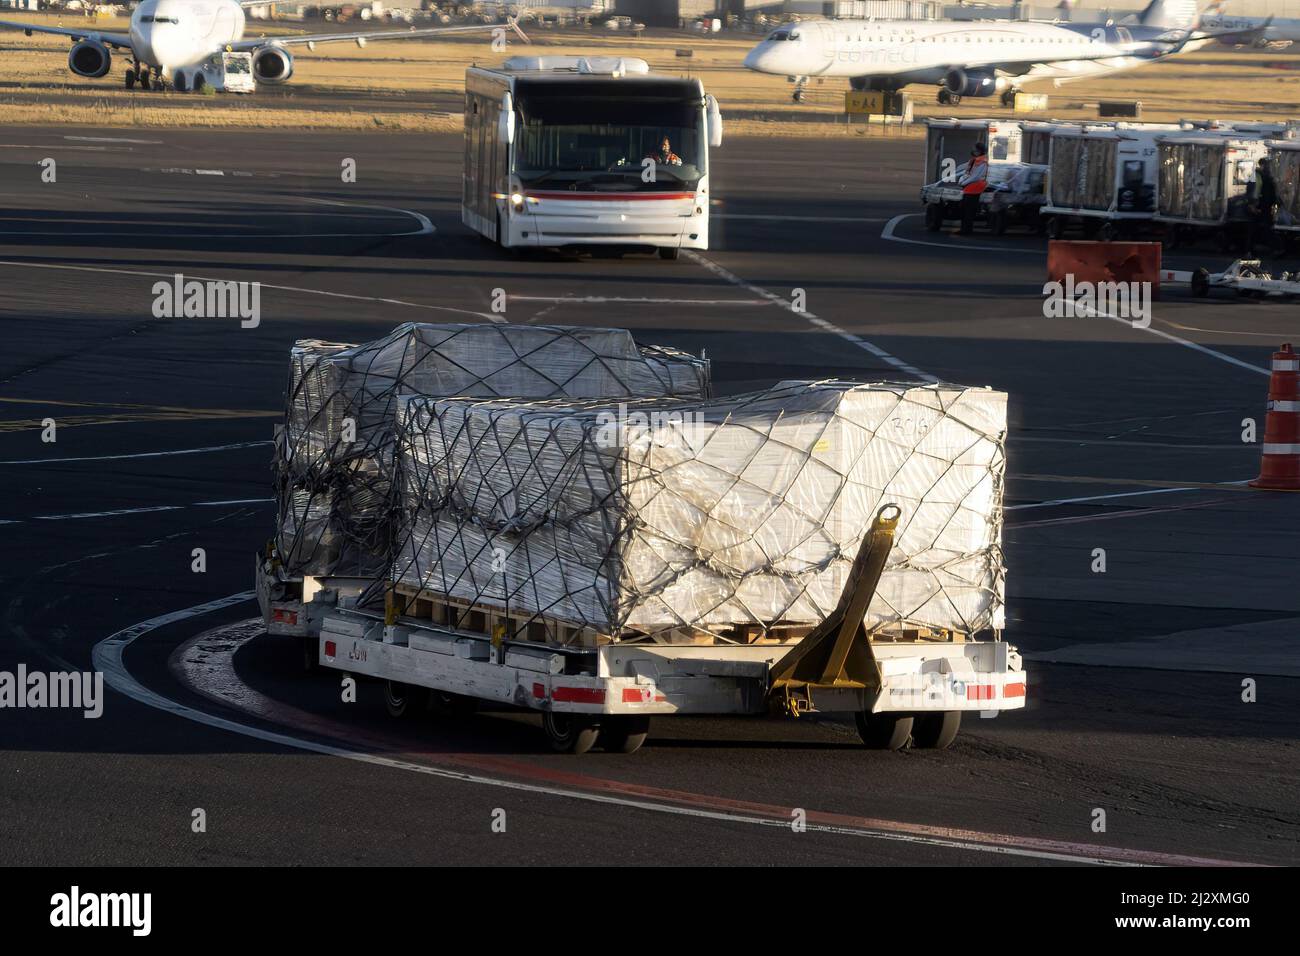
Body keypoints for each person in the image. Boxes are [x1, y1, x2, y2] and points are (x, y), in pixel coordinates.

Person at [1249, 158, 1278, 256]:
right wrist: (1252, 204)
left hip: (1263, 205)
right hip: (1259, 205)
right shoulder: (1259, 175)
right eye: (1266, 165)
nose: (1267, 167)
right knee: (1258, 228)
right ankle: (1250, 250)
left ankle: (1252, 250)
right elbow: (1253, 191)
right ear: (1261, 165)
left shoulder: (1264, 176)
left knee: (1262, 227)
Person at [959, 141, 989, 236]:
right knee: (964, 210)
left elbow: (976, 176)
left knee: (968, 211)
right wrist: (962, 180)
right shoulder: (974, 160)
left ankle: (966, 230)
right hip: (969, 188)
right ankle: (964, 229)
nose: (973, 151)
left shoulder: (982, 162)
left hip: (975, 188)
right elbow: (967, 173)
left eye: (976, 150)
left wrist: (964, 182)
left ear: (981, 151)